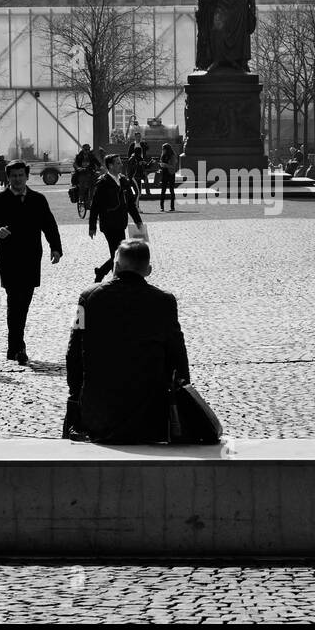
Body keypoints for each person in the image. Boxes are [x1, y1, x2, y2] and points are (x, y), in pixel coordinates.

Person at [64, 239, 191, 443]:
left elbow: (73, 353)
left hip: (99, 413)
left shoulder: (86, 298)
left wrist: (76, 395)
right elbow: (178, 356)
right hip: (150, 415)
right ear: (148, 270)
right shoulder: (166, 302)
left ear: (115, 266)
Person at [0, 159, 64, 364]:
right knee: (14, 301)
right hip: (8, 258)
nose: (17, 179)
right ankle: (18, 346)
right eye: (13, 176)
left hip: (31, 257)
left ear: (27, 176)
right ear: (8, 178)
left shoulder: (38, 199)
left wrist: (56, 247)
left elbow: (49, 225)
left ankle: (14, 346)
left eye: (21, 175)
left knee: (23, 302)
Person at [89, 154, 144, 283]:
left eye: (120, 162)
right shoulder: (103, 182)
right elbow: (95, 206)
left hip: (121, 223)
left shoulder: (124, 181)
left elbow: (130, 203)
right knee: (119, 252)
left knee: (119, 252)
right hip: (108, 224)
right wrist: (92, 226)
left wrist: (138, 220)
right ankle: (117, 280)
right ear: (110, 166)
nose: (121, 165)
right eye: (118, 163)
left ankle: (102, 271)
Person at [157, 142, 179, 212]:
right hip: (164, 174)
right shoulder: (162, 155)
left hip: (171, 174)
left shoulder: (172, 156)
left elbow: (173, 166)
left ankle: (172, 207)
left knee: (171, 190)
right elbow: (161, 163)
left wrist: (165, 165)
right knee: (163, 190)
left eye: (163, 149)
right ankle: (162, 207)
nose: (162, 150)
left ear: (167, 149)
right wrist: (160, 165)